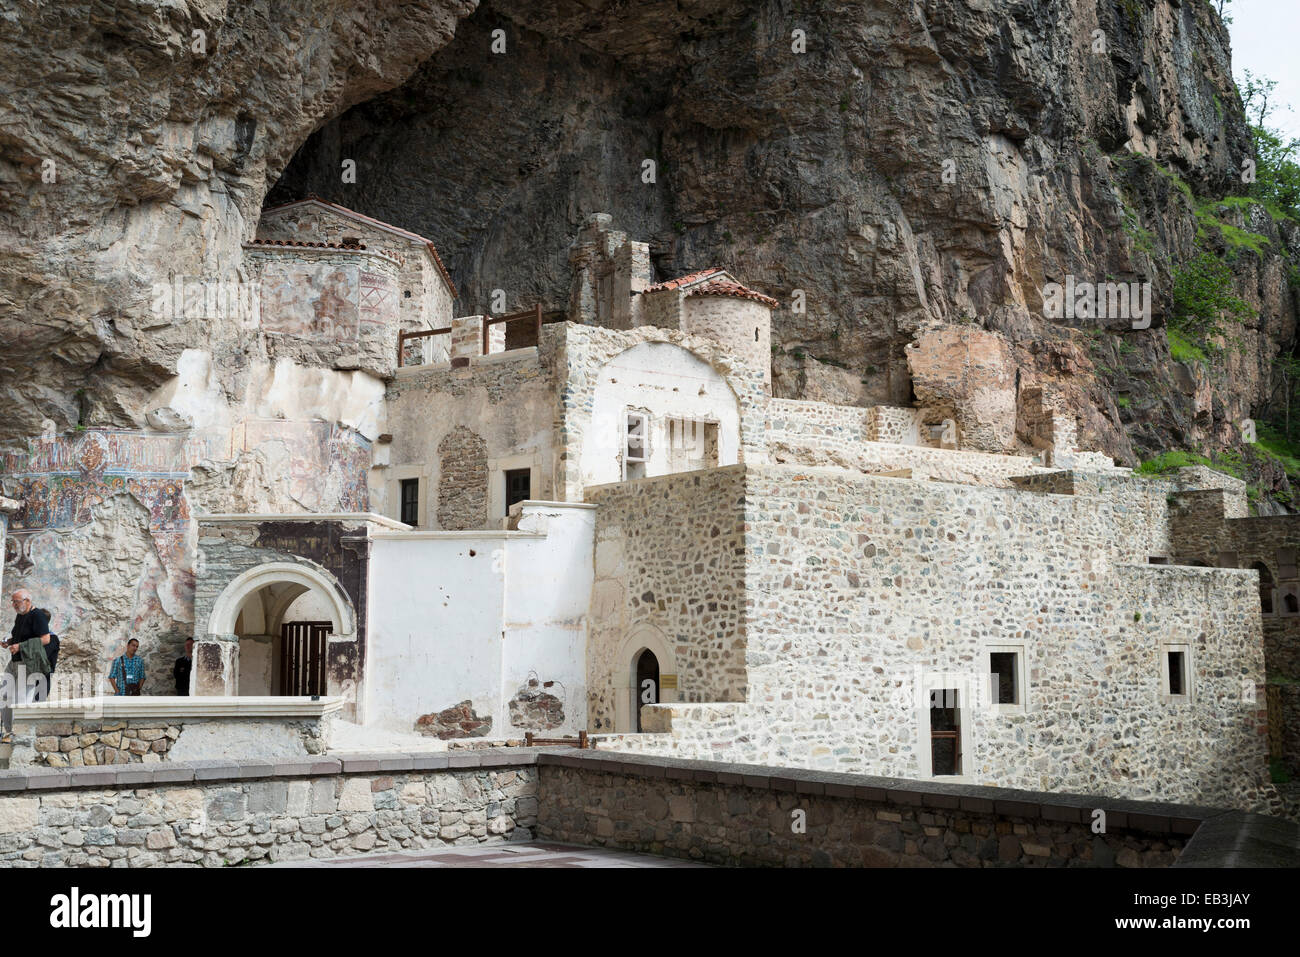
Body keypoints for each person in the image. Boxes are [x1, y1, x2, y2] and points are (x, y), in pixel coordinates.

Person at [4, 590, 54, 742]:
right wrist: (9, 642)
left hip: (29, 663)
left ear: (27, 601)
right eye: (13, 602)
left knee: (21, 699)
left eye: (16, 602)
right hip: (14, 661)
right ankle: (8, 731)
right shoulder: (20, 616)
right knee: (4, 695)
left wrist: (20, 647)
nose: (13, 605)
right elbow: (20, 637)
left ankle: (18, 735)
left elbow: (46, 639)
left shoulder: (38, 615)